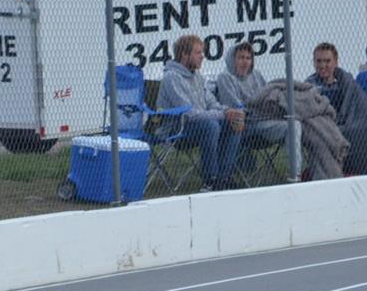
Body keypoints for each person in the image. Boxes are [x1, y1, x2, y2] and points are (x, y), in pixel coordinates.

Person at [156, 33, 243, 190]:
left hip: (200, 125)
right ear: (184, 54)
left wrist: (229, 111)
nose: (202, 56)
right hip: (177, 128)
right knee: (211, 125)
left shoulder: (198, 77)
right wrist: (223, 114)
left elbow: (211, 102)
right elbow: (189, 114)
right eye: (198, 53)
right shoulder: (171, 77)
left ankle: (224, 177)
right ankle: (211, 180)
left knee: (232, 122)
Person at [210, 41, 291, 180]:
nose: (245, 62)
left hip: (265, 120)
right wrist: (256, 107)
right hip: (244, 125)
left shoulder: (256, 75)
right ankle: (295, 173)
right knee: (291, 127)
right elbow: (236, 107)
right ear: (232, 59)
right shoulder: (225, 77)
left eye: (248, 58)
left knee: (295, 124)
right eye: (241, 58)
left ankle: (296, 172)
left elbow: (267, 96)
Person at [308, 42, 367, 177]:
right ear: (313, 62)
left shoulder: (347, 81)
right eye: (319, 61)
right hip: (326, 128)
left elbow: (358, 103)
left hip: (351, 123)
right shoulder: (310, 86)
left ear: (336, 62)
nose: (323, 65)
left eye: (327, 61)